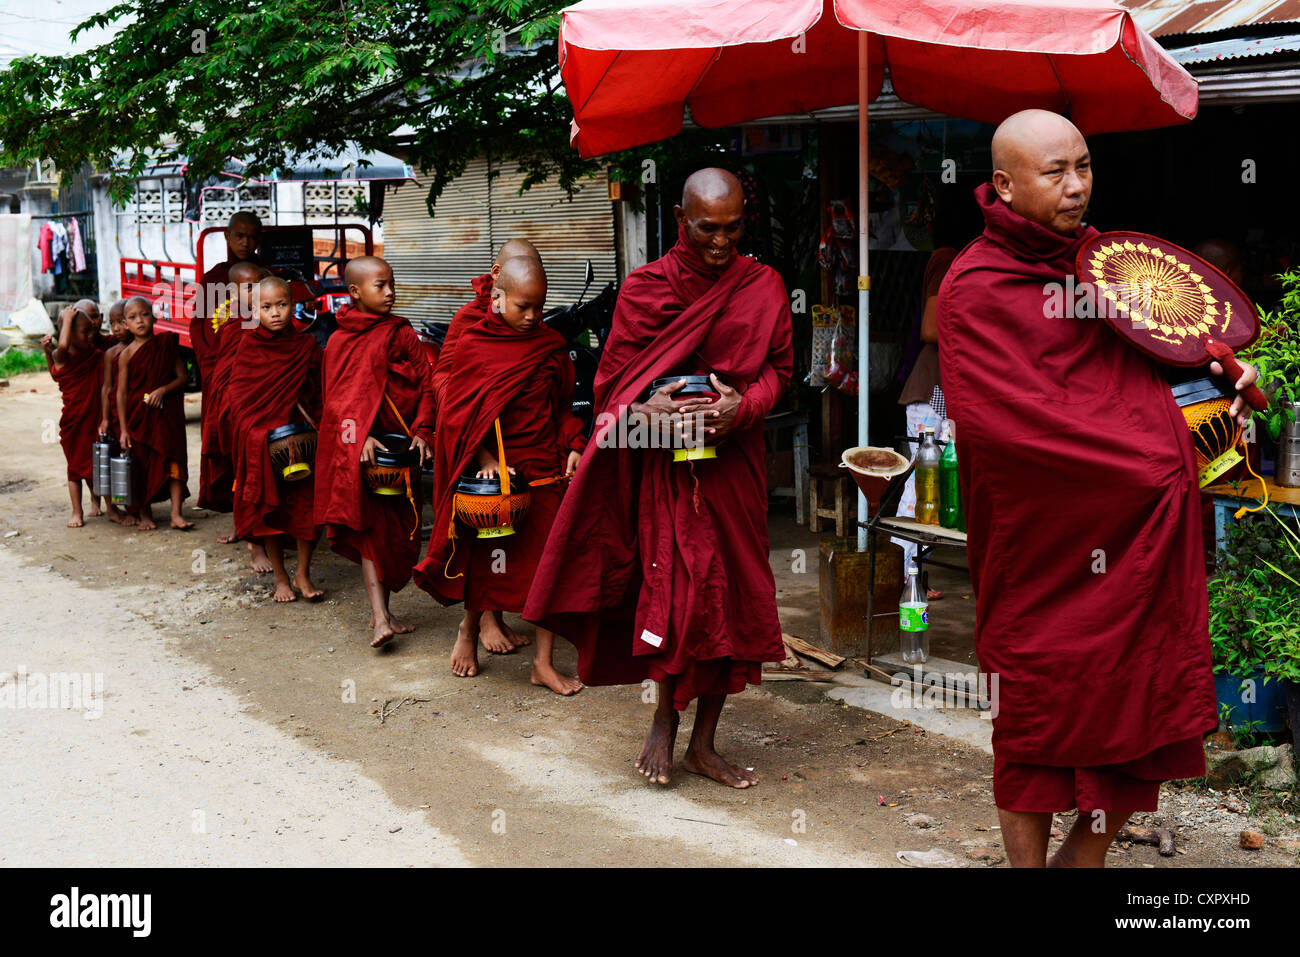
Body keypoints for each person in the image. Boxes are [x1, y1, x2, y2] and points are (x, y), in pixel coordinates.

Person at [938, 109, 1258, 868]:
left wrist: (1220, 370)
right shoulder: (976, 288)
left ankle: (1083, 861)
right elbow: (1009, 432)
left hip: (1133, 541)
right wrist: (1153, 455)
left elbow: (1161, 348)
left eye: (1084, 166)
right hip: (1039, 546)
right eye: (1057, 173)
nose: (1078, 186)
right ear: (1006, 185)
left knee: (1134, 695)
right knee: (1032, 716)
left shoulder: (1105, 264)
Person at [523, 168, 793, 787]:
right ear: (680, 219)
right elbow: (611, 391)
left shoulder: (763, 286)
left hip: (734, 465)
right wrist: (648, 412)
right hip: (667, 471)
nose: (721, 243)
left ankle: (705, 741)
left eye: (732, 229)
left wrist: (741, 409)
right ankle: (664, 723)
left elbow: (779, 370)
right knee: (676, 595)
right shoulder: (647, 288)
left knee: (735, 598)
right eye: (707, 230)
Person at [414, 257, 585, 693]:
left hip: (543, 468)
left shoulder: (549, 347)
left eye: (539, 308)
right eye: (523, 306)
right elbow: (457, 411)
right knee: (487, 561)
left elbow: (561, 408)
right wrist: (486, 457)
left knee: (552, 564)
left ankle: (542, 664)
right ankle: (469, 630)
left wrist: (575, 446)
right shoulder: (475, 343)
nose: (532, 317)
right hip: (493, 473)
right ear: (496, 297)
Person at [432, 238, 544, 656]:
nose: (531, 313)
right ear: (496, 276)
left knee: (514, 537)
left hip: (524, 443)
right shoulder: (471, 320)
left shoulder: (533, 324)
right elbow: (444, 380)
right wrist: (474, 439)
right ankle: (475, 624)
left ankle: (497, 615)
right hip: (477, 442)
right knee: (484, 535)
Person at [316, 256, 435, 648]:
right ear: (354, 292)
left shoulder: (401, 333)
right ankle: (380, 617)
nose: (390, 293)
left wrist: (422, 430)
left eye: (391, 284)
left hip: (401, 450)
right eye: (379, 286)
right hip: (364, 452)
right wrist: (358, 435)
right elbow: (336, 400)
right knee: (368, 529)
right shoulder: (339, 339)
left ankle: (385, 611)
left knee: (399, 531)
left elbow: (428, 384)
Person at [892, 189, 983, 595]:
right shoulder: (947, 258)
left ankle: (914, 573)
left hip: (940, 390)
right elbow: (933, 329)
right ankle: (906, 575)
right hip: (932, 390)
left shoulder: (951, 258)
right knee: (921, 480)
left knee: (932, 477)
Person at [226, 276, 324, 602]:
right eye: (266, 307)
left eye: (282, 305)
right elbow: (238, 399)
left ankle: (303, 573)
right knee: (271, 510)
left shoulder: (305, 347)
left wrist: (317, 429)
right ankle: (281, 577)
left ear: (292, 306)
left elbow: (318, 394)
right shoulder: (250, 346)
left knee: (307, 507)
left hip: (302, 443)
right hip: (264, 444)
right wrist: (256, 434)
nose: (276, 313)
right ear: (255, 311)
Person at [193, 212, 261, 525]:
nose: (246, 242)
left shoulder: (264, 276)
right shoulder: (213, 279)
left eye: (252, 236)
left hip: (256, 379)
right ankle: (237, 513)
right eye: (240, 236)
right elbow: (201, 330)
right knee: (226, 445)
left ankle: (258, 516)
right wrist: (216, 372)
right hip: (221, 374)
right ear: (227, 238)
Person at [116, 296, 193, 531]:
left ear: (154, 316)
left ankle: (176, 514)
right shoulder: (127, 355)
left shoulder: (166, 345)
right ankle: (145, 513)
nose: (139, 321)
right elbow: (121, 393)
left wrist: (162, 389)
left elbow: (183, 377)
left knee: (174, 461)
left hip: (167, 415)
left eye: (144, 314)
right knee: (143, 464)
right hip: (140, 417)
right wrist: (123, 429)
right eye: (132, 317)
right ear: (126, 324)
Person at [44, 306, 105, 527]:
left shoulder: (92, 355)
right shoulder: (62, 356)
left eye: (91, 331)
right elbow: (61, 347)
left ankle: (96, 503)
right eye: (85, 332)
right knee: (75, 469)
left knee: (96, 465)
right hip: (73, 422)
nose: (91, 336)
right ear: (68, 332)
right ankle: (76, 511)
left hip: (93, 419)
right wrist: (67, 320)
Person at [96, 299, 133, 525]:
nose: (117, 328)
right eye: (112, 323)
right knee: (114, 460)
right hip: (118, 414)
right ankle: (115, 507)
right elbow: (107, 387)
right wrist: (106, 418)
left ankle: (136, 506)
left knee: (135, 461)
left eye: (121, 321)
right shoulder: (111, 353)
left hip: (137, 410)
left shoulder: (145, 348)